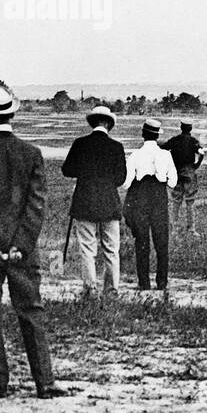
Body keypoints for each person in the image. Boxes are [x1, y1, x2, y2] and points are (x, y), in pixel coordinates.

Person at [0, 86, 65, 399]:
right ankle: (44, 383)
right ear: (13, 113)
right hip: (22, 250)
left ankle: (0, 383)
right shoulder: (31, 154)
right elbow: (36, 205)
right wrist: (20, 244)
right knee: (31, 311)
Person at [61, 105, 127, 296]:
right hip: (109, 203)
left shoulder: (80, 144)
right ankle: (112, 289)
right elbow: (121, 178)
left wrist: (85, 172)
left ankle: (90, 289)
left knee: (87, 248)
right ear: (108, 123)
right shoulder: (117, 147)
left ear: (93, 122)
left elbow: (67, 170)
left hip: (84, 202)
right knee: (111, 249)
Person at [122, 119, 178, 290]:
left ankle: (144, 282)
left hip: (140, 198)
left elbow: (125, 183)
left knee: (142, 241)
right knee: (162, 242)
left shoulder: (135, 155)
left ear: (143, 135)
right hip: (159, 198)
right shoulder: (166, 155)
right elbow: (173, 182)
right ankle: (162, 282)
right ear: (157, 136)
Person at [163, 120, 204, 235]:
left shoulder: (174, 140)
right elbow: (202, 153)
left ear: (181, 127)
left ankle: (174, 229)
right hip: (189, 170)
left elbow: (163, 148)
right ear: (190, 128)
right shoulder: (193, 141)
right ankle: (191, 229)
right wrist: (196, 165)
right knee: (190, 200)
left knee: (176, 200)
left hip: (176, 171)